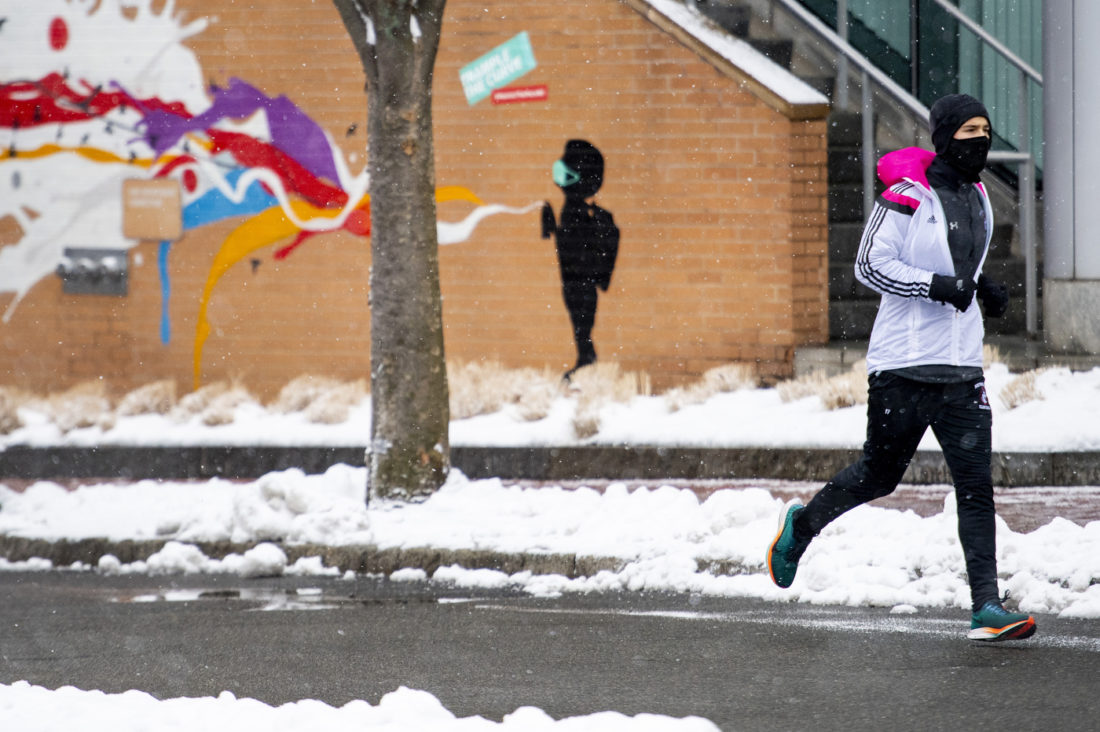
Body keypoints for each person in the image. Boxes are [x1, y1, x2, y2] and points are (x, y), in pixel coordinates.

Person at [766, 94, 1034, 642]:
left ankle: (986, 606)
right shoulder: (906, 195)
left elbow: (961, 264)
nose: (980, 140)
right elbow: (870, 265)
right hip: (904, 367)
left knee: (975, 487)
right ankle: (802, 527)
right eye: (968, 131)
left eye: (985, 130)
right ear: (944, 137)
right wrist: (938, 287)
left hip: (962, 368)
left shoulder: (980, 195)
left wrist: (982, 286)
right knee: (879, 475)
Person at [541, 140, 619, 381]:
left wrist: (554, 229)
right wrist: (552, 228)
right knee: (579, 323)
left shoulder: (584, 215)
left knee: (581, 324)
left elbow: (575, 244)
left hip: (580, 281)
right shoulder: (573, 211)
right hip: (574, 279)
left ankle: (587, 360)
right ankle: (585, 360)